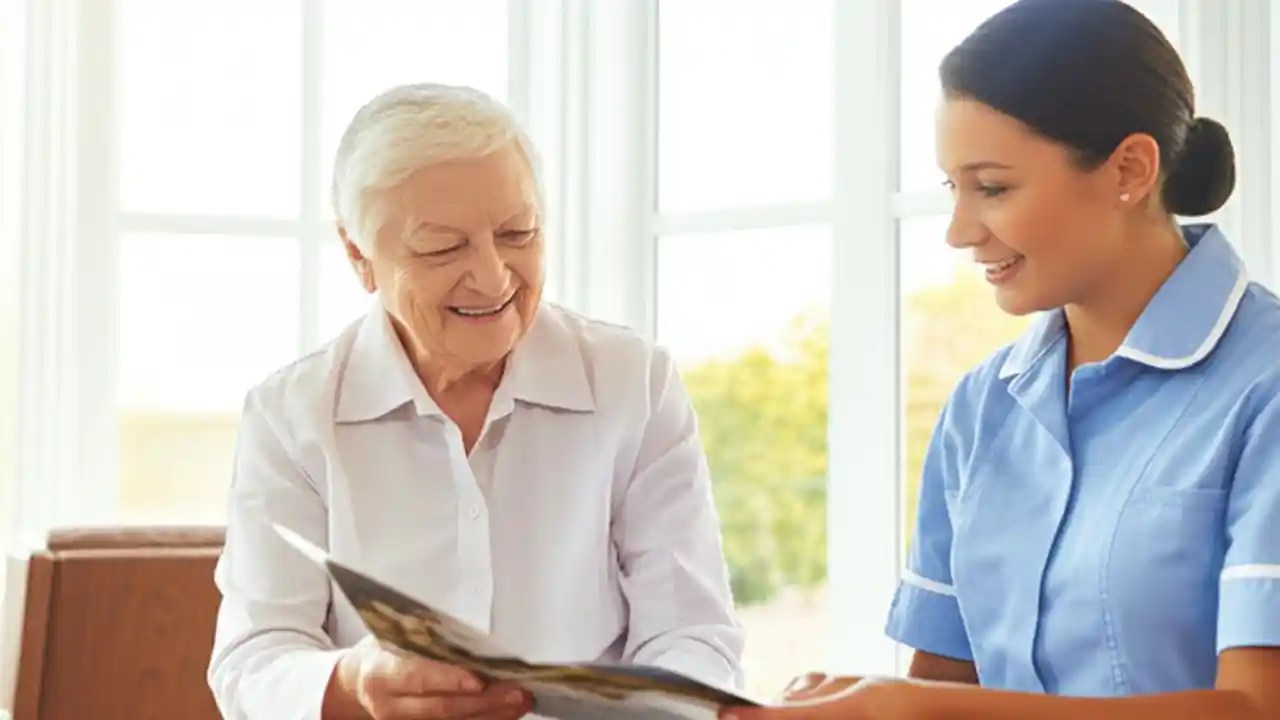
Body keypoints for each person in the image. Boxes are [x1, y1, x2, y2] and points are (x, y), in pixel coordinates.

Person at [722, 1, 1280, 718]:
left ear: (1130, 169)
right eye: (952, 189)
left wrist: (914, 709)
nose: (958, 231)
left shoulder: (1264, 385)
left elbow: (1258, 708)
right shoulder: (982, 408)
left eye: (993, 188)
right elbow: (943, 687)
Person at [207, 83, 744, 720]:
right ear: (359, 255)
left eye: (519, 233)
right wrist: (354, 682)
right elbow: (253, 658)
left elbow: (694, 635)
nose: (492, 277)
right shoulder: (291, 416)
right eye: (442, 247)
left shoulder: (635, 384)